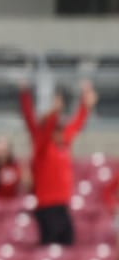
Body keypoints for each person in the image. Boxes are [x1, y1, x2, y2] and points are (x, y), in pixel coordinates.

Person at [20, 81, 96, 246]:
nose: (61, 133)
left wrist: (85, 105)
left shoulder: (64, 143)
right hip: (47, 206)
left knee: (68, 242)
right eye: (57, 130)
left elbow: (76, 125)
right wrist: (54, 110)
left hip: (62, 204)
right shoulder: (42, 146)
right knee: (51, 245)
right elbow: (33, 121)